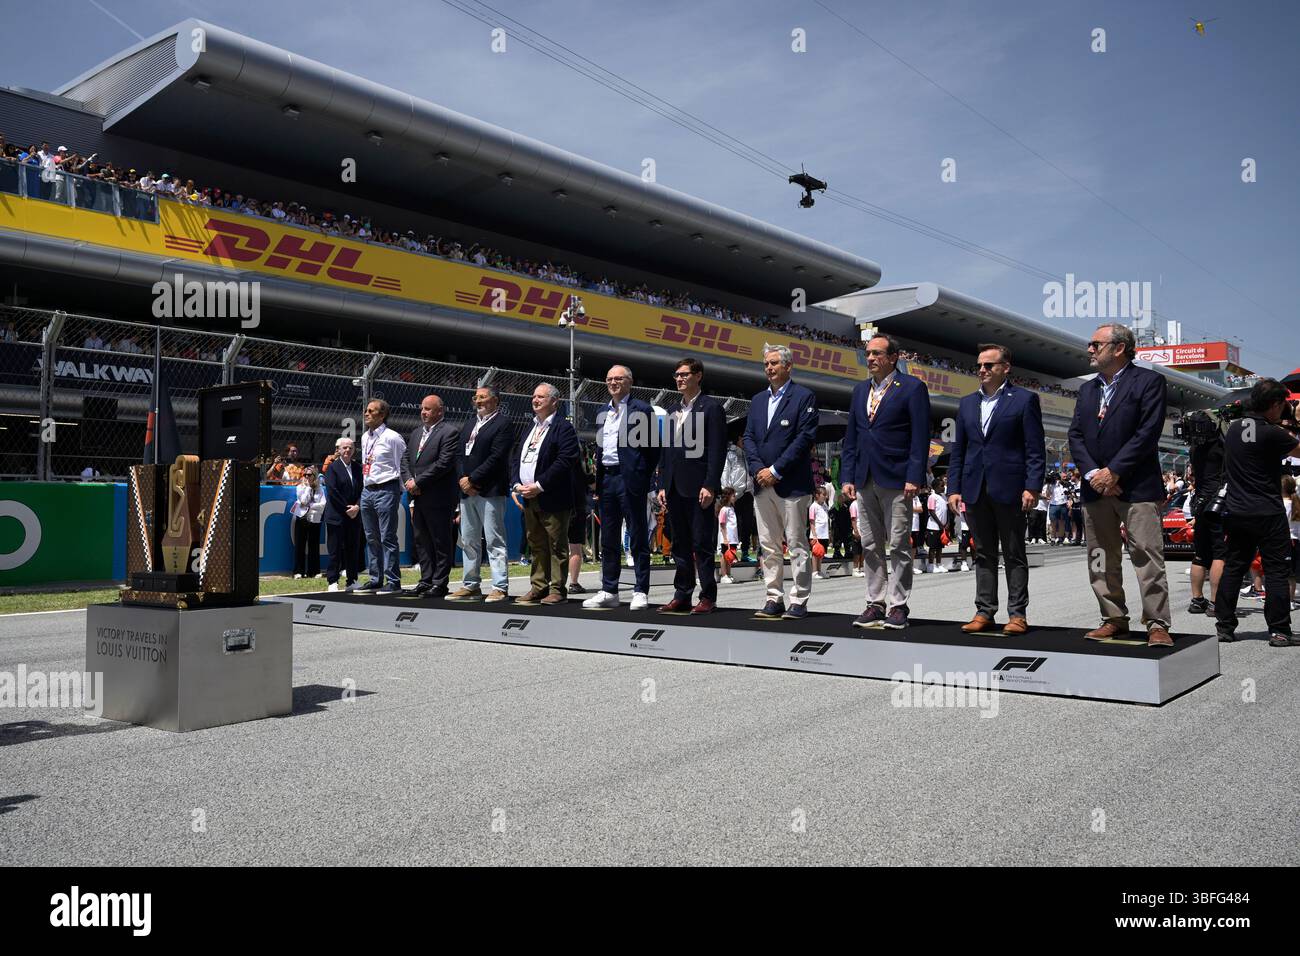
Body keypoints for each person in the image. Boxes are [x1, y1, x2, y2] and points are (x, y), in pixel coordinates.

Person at [1068, 323, 1173, 646]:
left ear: (1119, 348)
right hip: (1095, 489)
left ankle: (1157, 623)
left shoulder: (1149, 382)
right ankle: (1113, 617)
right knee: (1100, 555)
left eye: (1095, 344)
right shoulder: (1087, 390)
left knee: (1146, 555)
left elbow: (1147, 432)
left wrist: (1114, 472)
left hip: (1137, 487)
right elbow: (1075, 436)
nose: (1089, 349)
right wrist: (1094, 476)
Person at [946, 343, 1045, 634]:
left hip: (1011, 488)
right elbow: (959, 451)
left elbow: (1035, 449)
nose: (982, 370)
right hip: (975, 488)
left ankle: (1017, 614)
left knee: (1014, 553)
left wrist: (1032, 486)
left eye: (989, 365)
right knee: (983, 553)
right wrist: (954, 488)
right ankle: (984, 612)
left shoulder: (1025, 400)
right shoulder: (966, 403)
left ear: (1005, 367)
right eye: (979, 365)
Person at [839, 333, 931, 630]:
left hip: (897, 477)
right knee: (869, 544)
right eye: (868, 353)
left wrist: (914, 476)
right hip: (865, 477)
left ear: (893, 357)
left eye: (877, 353)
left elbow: (920, 437)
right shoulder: (859, 390)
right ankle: (875, 602)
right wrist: (847, 476)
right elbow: (851, 437)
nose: (871, 358)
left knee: (900, 544)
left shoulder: (913, 388)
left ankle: (898, 605)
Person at [1213, 380, 1300, 646]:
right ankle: (1279, 631)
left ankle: (1225, 627)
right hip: (1268, 511)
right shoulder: (1272, 433)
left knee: (1234, 568)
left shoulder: (1234, 428)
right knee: (1276, 570)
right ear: (1274, 405)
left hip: (1237, 510)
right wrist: (1293, 422)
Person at [744, 345, 819, 620]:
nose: (769, 368)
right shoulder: (757, 400)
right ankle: (773, 597)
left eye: (774, 363)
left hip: (791, 485)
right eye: (766, 364)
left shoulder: (804, 396)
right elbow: (749, 438)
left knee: (797, 543)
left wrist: (775, 470)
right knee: (769, 545)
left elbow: (803, 439)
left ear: (788, 366)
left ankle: (798, 600)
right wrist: (757, 469)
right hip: (762, 484)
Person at [583, 365, 660, 611]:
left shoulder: (642, 410)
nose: (613, 383)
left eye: (618, 379)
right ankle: (609, 589)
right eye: (609, 379)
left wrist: (641, 478)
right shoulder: (603, 411)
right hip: (607, 480)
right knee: (608, 537)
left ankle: (640, 590)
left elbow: (652, 450)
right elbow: (601, 446)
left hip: (630, 480)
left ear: (629, 381)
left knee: (637, 534)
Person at [657, 357, 728, 614]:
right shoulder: (673, 409)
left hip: (699, 487)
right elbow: (667, 452)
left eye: (684, 374)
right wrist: (663, 484)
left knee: (702, 543)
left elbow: (717, 451)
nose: (679, 379)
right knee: (679, 544)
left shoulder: (712, 409)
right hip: (675, 487)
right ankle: (682, 594)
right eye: (676, 374)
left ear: (698, 376)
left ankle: (707, 595)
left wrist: (710, 484)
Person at [510, 383, 579, 605]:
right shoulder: (529, 427)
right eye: (534, 396)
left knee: (556, 545)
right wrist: (515, 484)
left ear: (554, 401)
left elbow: (565, 460)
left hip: (552, 496)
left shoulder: (563, 427)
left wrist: (539, 485)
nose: (535, 400)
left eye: (541, 397)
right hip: (528, 496)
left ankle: (557, 589)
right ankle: (538, 587)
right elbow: (516, 458)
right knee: (536, 543)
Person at [449, 385, 514, 602]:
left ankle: (499, 586)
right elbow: (458, 454)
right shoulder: (470, 423)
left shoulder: (502, 424)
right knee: (468, 539)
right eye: (476, 398)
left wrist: (473, 479)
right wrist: (462, 480)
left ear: (495, 401)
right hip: (467, 491)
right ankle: (471, 584)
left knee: (494, 539)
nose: (478, 401)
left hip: (490, 490)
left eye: (483, 398)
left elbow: (497, 457)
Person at [403, 394, 460, 598]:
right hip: (418, 496)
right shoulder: (417, 432)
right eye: (422, 408)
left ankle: (439, 582)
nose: (423, 412)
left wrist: (419, 482)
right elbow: (406, 459)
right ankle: (425, 580)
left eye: (428, 409)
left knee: (440, 540)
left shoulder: (449, 432)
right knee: (422, 540)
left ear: (439, 411)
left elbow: (444, 463)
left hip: (438, 496)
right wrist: (410, 481)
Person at [357, 398, 408, 594]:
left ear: (382, 415)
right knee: (371, 537)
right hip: (368, 489)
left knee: (387, 536)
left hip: (387, 488)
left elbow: (401, 464)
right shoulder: (364, 437)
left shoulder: (392, 437)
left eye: (371, 411)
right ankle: (375, 578)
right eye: (366, 410)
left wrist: (401, 489)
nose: (366, 414)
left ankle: (393, 581)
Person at [1184, 411, 1228, 615]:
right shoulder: (1220, 445)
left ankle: (1196, 599)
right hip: (1218, 503)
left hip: (1199, 503)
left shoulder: (1194, 448)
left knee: (1201, 554)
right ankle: (1215, 602)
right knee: (1220, 553)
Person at [323, 437, 363, 592]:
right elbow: (333, 491)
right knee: (335, 550)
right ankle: (332, 580)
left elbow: (362, 489)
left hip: (354, 515)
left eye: (350, 448)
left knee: (353, 549)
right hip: (337, 516)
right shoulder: (332, 468)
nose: (347, 450)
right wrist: (348, 509)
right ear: (338, 450)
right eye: (344, 448)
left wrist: (357, 506)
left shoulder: (358, 468)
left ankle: (352, 580)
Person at [721, 431, 755, 564]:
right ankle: (731, 552)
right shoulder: (730, 454)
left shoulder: (747, 454)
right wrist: (727, 492)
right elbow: (725, 472)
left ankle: (745, 552)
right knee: (734, 525)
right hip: (735, 494)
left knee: (747, 524)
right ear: (739, 438)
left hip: (747, 493)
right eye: (743, 438)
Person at [291, 466, 326, 579]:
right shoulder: (300, 487)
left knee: (313, 546)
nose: (306, 477)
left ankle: (314, 571)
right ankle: (298, 571)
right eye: (305, 475)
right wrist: (308, 488)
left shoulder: (320, 489)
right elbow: (302, 501)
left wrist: (311, 506)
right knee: (300, 546)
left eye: (309, 475)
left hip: (314, 519)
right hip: (302, 518)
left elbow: (323, 505)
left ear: (314, 476)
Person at [924, 477, 949, 574]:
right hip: (934, 526)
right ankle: (930, 565)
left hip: (942, 526)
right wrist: (940, 523)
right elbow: (931, 511)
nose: (943, 487)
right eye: (941, 486)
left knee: (940, 546)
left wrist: (947, 523)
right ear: (935, 487)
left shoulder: (943, 496)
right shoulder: (932, 497)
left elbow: (946, 511)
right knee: (933, 547)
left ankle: (939, 564)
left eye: (944, 485)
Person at [718, 489, 739, 584]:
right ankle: (723, 574)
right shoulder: (724, 509)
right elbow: (722, 524)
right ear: (728, 497)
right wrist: (725, 538)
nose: (735, 497)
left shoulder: (732, 508)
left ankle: (729, 573)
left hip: (733, 537)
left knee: (730, 556)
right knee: (724, 555)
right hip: (726, 538)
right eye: (733, 495)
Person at [809, 487, 831, 579]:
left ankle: (819, 570)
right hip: (816, 534)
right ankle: (814, 571)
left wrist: (829, 532)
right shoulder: (813, 506)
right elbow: (812, 521)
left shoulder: (825, 505)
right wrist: (814, 535)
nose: (825, 497)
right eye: (824, 495)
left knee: (821, 553)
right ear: (817, 495)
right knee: (815, 553)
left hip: (824, 534)